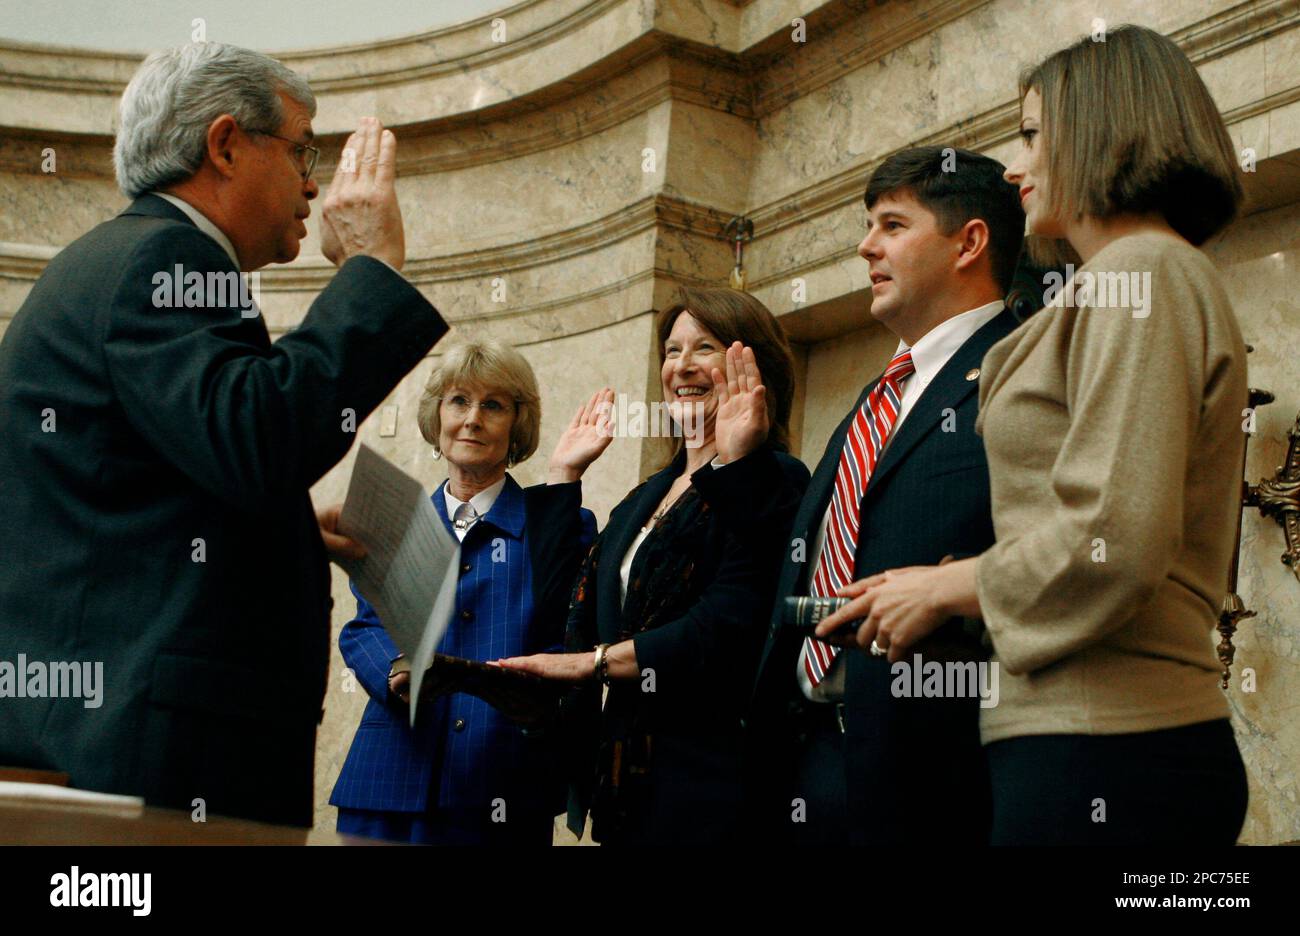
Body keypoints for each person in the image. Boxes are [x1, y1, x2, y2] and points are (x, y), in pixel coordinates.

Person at [817, 25, 1250, 845]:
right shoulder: (1115, 283)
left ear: (1098, 127)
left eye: (1028, 133)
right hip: (1082, 741)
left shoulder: (1142, 274)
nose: (1012, 168)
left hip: (1114, 746)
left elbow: (1112, 535)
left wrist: (944, 589)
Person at [0, 42, 446, 827]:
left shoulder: (118, 258)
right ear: (226, 143)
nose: (314, 182)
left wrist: (277, 532)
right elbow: (257, 438)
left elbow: (131, 486)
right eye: (302, 150)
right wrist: (371, 271)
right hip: (148, 762)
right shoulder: (158, 258)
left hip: (118, 748)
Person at [716, 147, 1025, 845]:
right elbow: (815, 555)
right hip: (808, 758)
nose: (866, 246)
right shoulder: (883, 391)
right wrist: (742, 466)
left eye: (891, 225)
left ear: (968, 242)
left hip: (935, 779)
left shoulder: (1025, 368)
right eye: (868, 226)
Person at [499, 286, 809, 844]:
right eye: (671, 351)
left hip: (711, 789)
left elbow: (727, 623)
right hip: (623, 784)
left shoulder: (776, 480)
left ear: (750, 366)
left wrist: (590, 666)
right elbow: (561, 598)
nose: (682, 366)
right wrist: (563, 476)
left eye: (705, 347)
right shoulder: (646, 496)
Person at [330, 339, 597, 845]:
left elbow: (569, 640)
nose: (472, 419)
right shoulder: (396, 522)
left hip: (501, 783)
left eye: (492, 404)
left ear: (517, 423)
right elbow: (365, 624)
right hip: (388, 781)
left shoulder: (563, 526)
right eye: (459, 401)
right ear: (437, 416)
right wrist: (393, 668)